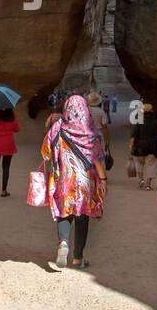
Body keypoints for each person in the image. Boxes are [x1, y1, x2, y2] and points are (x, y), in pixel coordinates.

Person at [41, 93, 107, 270]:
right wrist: (103, 180)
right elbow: (97, 159)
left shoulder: (58, 128)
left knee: (64, 213)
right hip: (86, 183)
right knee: (82, 217)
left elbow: (45, 152)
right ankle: (78, 258)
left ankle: (63, 242)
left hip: (63, 180)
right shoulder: (90, 131)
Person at [128, 103, 157, 189]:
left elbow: (133, 137)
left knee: (139, 163)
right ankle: (148, 185)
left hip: (140, 148)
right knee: (151, 164)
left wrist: (131, 147)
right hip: (153, 147)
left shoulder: (138, 122)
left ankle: (141, 180)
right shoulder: (156, 123)